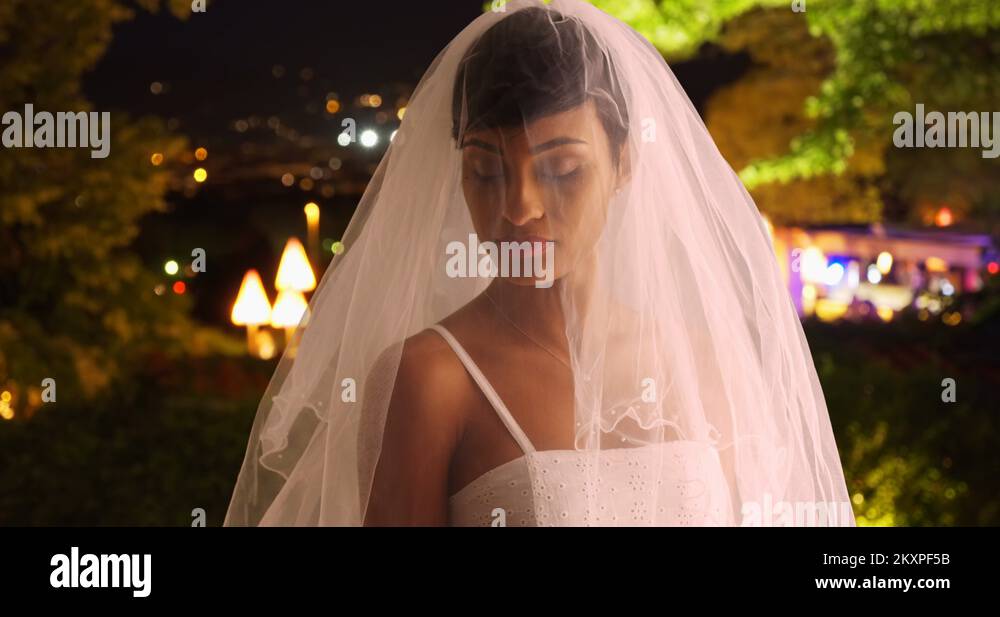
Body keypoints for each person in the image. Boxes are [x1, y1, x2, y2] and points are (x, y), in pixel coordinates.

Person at [225, 0, 856, 527]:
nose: (520, 206)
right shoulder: (429, 379)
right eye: (485, 170)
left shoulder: (705, 363)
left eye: (561, 169)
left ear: (625, 164)